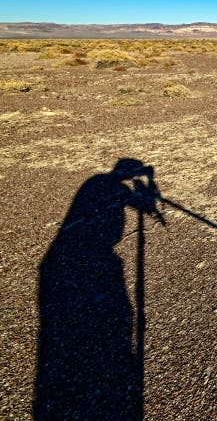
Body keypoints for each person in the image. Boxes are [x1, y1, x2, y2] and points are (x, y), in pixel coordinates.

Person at [35, 159, 160, 420]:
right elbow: (140, 203)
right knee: (112, 321)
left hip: (71, 260)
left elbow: (136, 201)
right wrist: (149, 190)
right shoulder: (107, 185)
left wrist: (145, 190)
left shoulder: (98, 183)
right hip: (90, 259)